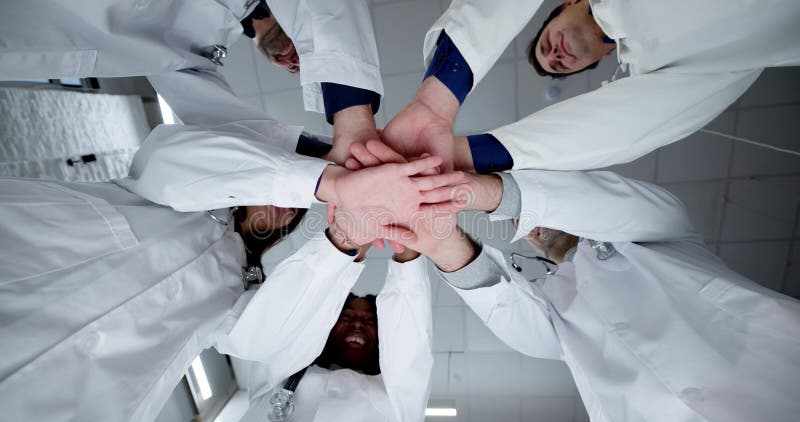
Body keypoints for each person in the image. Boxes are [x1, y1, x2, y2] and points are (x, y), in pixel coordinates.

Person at [0, 118, 461, 420]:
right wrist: (326, 181)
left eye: (293, 213)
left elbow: (265, 336)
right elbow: (164, 155)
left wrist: (350, 240)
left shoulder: (240, 293)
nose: (286, 208)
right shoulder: (185, 194)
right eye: (289, 199)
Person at [351, 140, 800, 422]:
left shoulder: (667, 232)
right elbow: (501, 301)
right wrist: (437, 236)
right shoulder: (557, 312)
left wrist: (468, 190)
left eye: (534, 216)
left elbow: (610, 204)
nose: (531, 227)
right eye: (525, 228)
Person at [377, 0, 800, 174]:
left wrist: (436, 99)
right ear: (599, 61)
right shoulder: (662, 69)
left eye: (547, 44)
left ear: (565, 5)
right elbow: (624, 127)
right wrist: (462, 153)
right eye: (559, 63)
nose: (557, 55)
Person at [0, 0, 384, 157]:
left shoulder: (197, 48)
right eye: (306, 53)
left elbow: (224, 122)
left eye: (296, 68)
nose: (294, 60)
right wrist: (353, 118)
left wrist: (332, 158)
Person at [217, 244, 433, 422]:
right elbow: (314, 317)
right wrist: (358, 241)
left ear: (382, 339)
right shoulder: (282, 371)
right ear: (329, 328)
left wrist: (405, 244)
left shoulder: (399, 400)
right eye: (346, 318)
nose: (357, 325)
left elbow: (408, 342)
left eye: (369, 321)